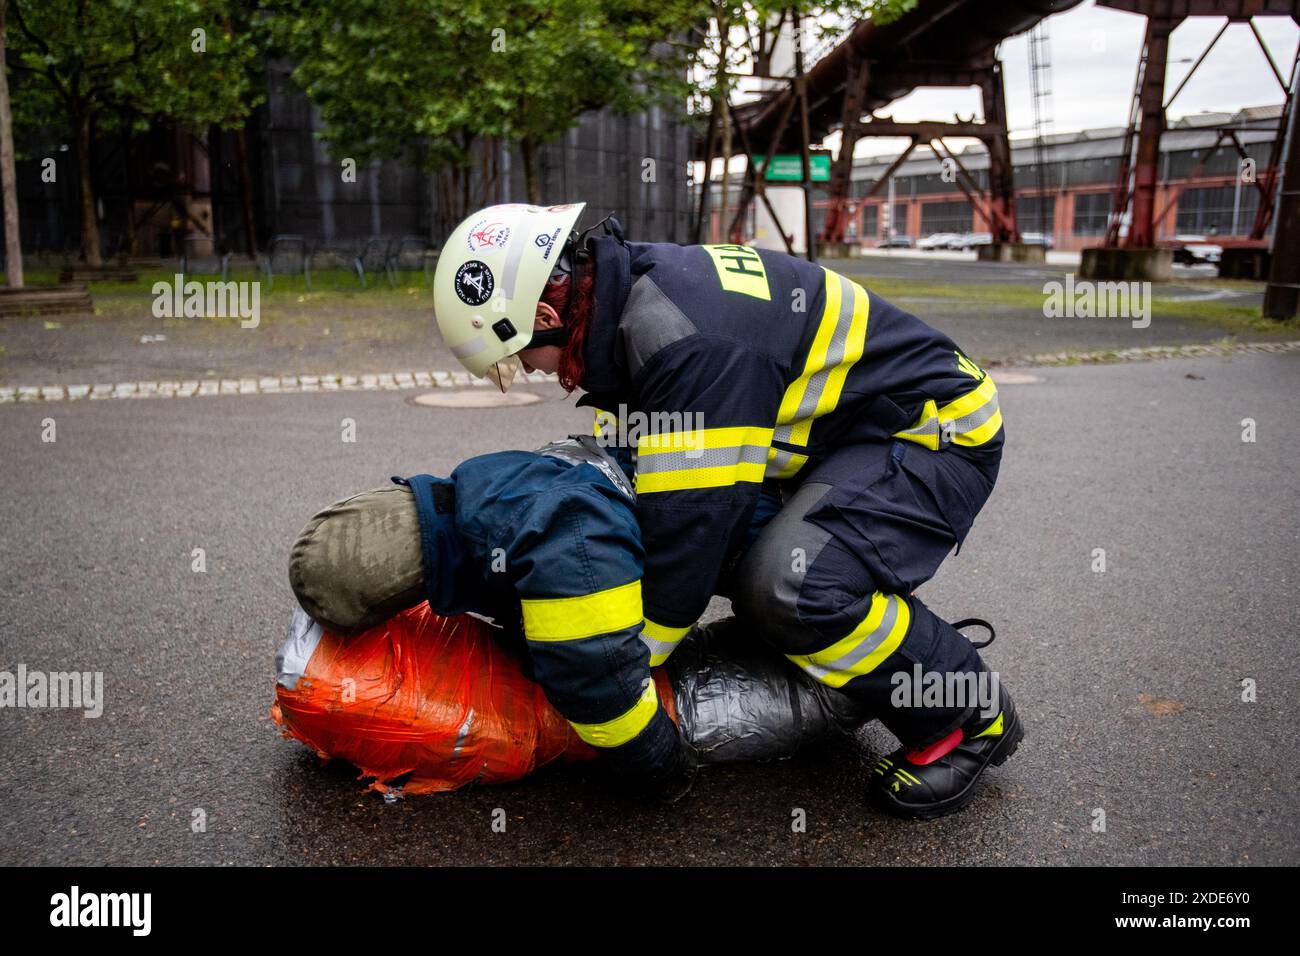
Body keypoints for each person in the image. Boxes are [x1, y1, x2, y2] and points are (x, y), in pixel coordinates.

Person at [433, 202, 1022, 819]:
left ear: (550, 317)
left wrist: (618, 671)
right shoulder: (634, 304)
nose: (538, 373)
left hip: (933, 435)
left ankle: (969, 714)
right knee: (739, 548)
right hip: (845, 439)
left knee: (790, 583)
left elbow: (689, 536)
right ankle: (855, 636)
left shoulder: (684, 341)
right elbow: (648, 496)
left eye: (525, 358)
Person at [288, 437, 696, 802]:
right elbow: (600, 682)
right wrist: (664, 769)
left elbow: (592, 663)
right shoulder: (583, 532)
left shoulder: (566, 495)